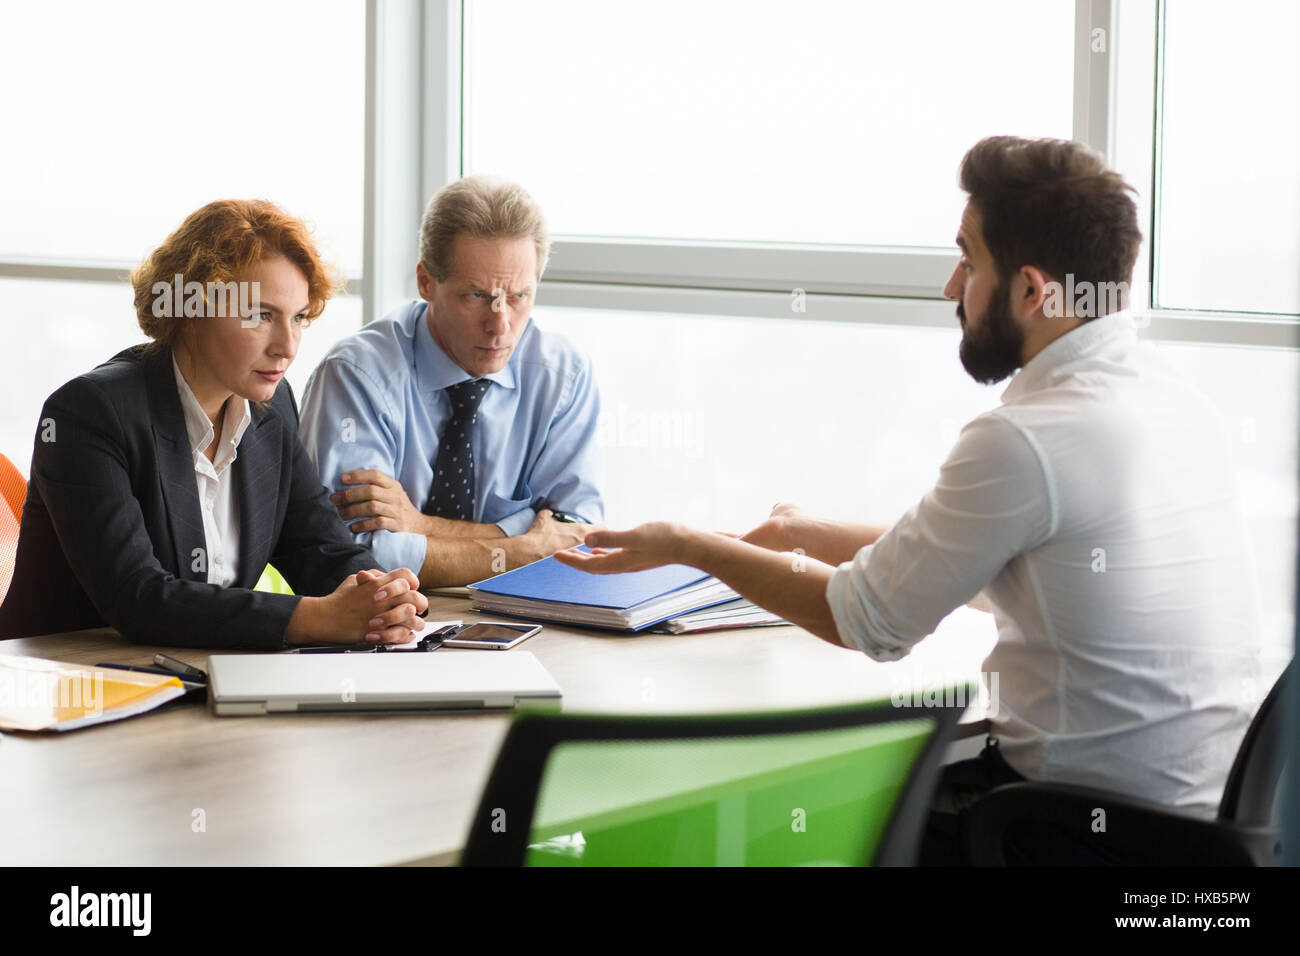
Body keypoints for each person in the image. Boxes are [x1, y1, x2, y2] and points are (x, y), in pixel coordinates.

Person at [555, 136, 1265, 864]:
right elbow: (993, 550)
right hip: (1199, 840)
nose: (951, 287)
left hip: (1067, 836)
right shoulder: (1173, 402)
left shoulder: (1026, 439)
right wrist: (802, 532)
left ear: (1031, 290)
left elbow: (864, 620)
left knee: (751, 837)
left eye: (968, 259)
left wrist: (688, 545)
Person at [0, 199, 428, 649]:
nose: (287, 347)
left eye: (298, 318)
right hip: (71, 682)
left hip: (203, 671)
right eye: (261, 315)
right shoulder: (88, 413)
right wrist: (318, 618)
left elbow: (317, 547)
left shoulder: (271, 404)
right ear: (193, 309)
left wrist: (382, 596)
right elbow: (139, 598)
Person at [299, 175, 603, 587]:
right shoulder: (357, 376)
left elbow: (575, 537)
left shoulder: (563, 377)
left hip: (526, 619)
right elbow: (358, 556)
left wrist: (420, 525)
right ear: (426, 282)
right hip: (381, 627)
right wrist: (523, 545)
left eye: (519, 297)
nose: (500, 326)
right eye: (476, 296)